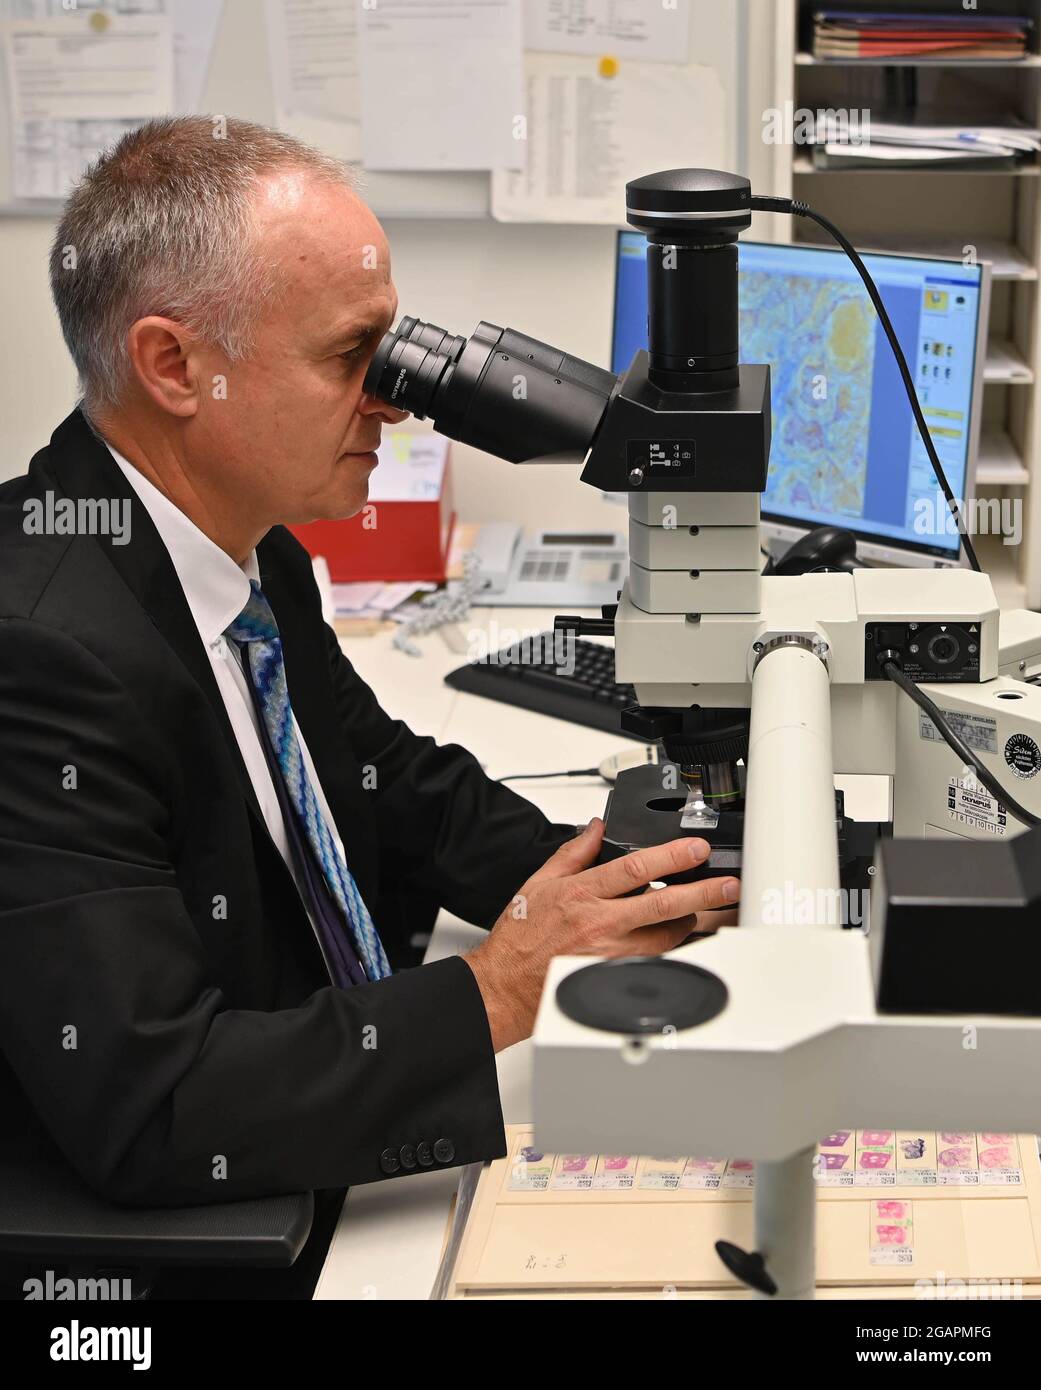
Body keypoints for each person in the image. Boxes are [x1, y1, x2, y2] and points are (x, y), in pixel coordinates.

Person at [0, 117, 739, 1229]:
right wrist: (498, 989)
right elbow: (152, 1098)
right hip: (215, 1232)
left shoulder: (247, 555)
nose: (395, 400)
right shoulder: (40, 654)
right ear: (175, 365)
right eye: (353, 358)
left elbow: (390, 787)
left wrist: (637, 892)